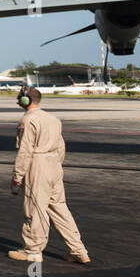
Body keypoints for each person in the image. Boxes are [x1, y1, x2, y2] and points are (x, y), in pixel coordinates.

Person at [9, 86, 91, 264]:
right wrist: (54, 166)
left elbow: (25, 151)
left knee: (35, 209)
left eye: (19, 99)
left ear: (25, 101)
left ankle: (32, 251)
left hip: (37, 165)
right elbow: (61, 146)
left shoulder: (28, 120)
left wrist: (18, 175)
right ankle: (78, 251)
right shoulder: (54, 119)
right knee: (59, 208)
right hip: (54, 165)